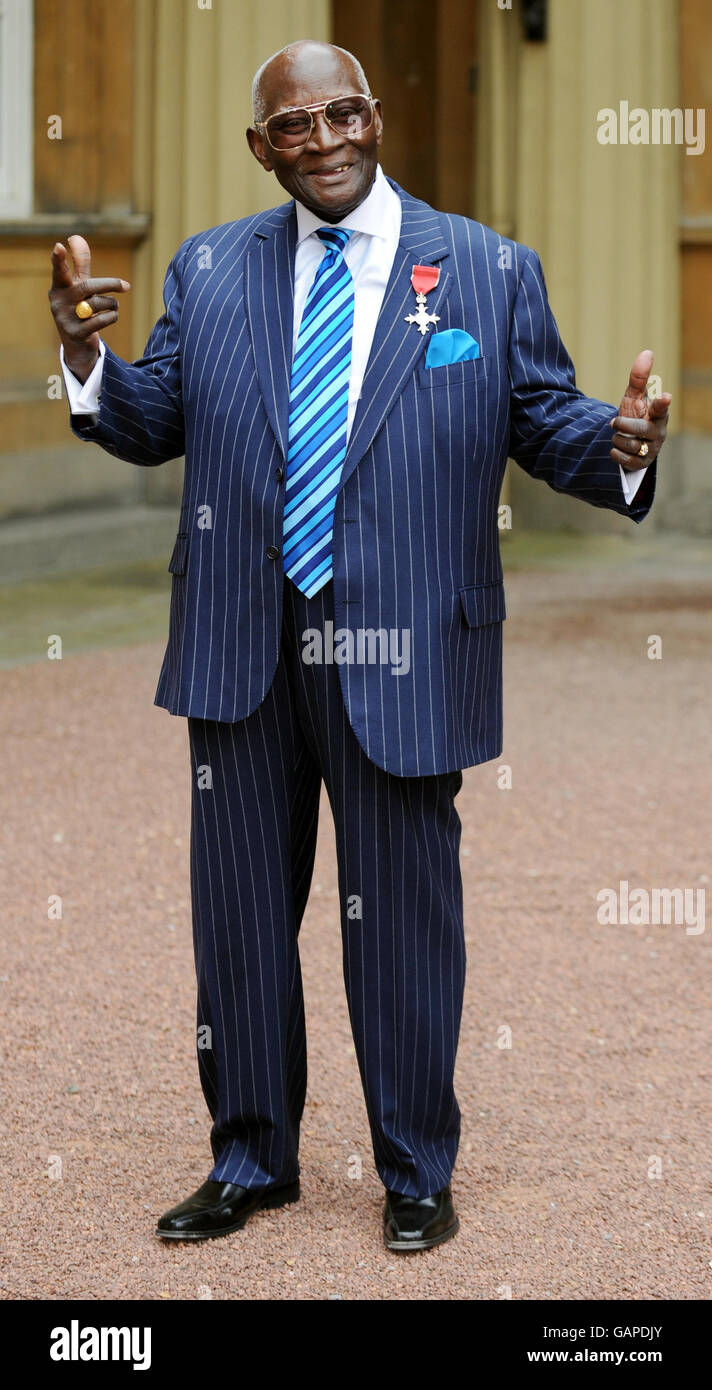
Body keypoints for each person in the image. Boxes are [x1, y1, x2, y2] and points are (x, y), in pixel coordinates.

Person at [48, 39, 670, 1254]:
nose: (322, 140)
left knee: (399, 918)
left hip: (402, 642)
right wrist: (85, 361)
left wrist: (624, 448)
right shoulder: (213, 268)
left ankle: (414, 1167)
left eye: (341, 115)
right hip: (242, 634)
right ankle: (249, 1157)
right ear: (259, 145)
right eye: (293, 125)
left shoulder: (485, 269)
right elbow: (154, 416)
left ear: (375, 119)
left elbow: (548, 421)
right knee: (235, 916)